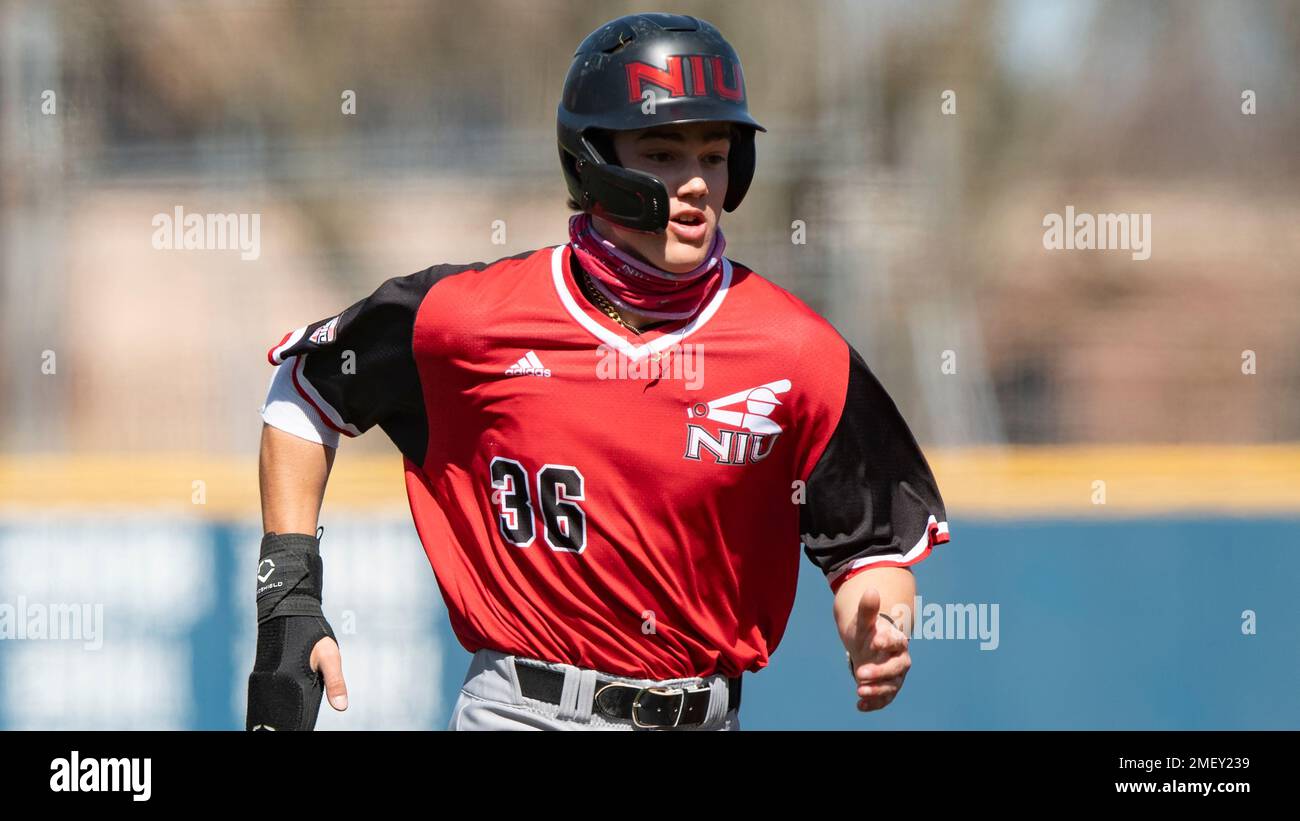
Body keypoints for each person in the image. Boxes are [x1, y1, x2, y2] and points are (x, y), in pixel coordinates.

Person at [247, 12, 949, 732]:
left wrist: (880, 614)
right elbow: (306, 392)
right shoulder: (470, 318)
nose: (697, 182)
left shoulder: (796, 349)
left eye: (713, 154)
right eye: (662, 153)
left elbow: (870, 549)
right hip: (525, 711)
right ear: (591, 160)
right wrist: (289, 600)